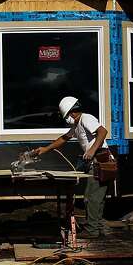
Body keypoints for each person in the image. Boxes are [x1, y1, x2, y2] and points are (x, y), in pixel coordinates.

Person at [36, 96, 109, 238]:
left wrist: (92, 150)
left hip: (100, 160)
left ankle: (92, 230)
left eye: (66, 116)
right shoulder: (76, 125)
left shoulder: (86, 118)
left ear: (72, 112)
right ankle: (99, 228)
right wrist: (46, 149)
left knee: (92, 198)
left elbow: (103, 131)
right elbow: (64, 138)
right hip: (96, 161)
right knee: (96, 197)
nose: (67, 119)